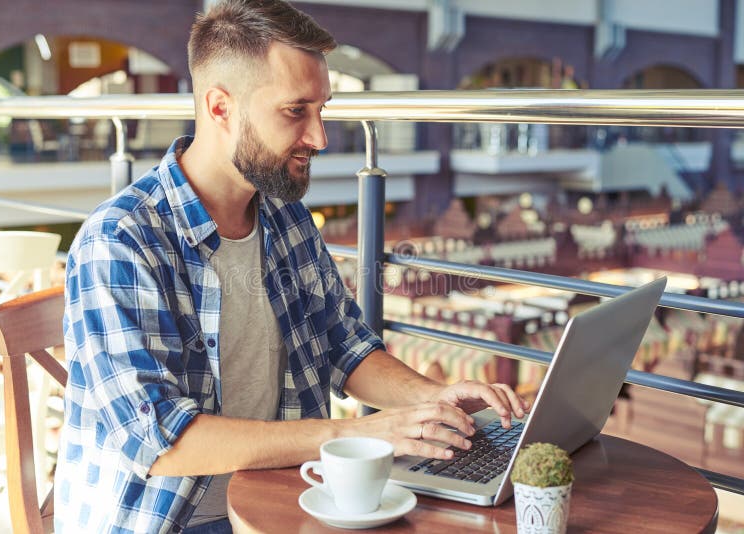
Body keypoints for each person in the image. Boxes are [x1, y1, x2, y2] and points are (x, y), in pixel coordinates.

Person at [56, 1, 530, 533]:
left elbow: (344, 345)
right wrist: (357, 437)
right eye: (295, 110)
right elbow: (161, 441)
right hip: (163, 522)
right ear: (220, 108)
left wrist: (431, 398)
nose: (320, 137)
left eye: (321, 109)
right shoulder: (121, 241)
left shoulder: (286, 216)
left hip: (285, 497)